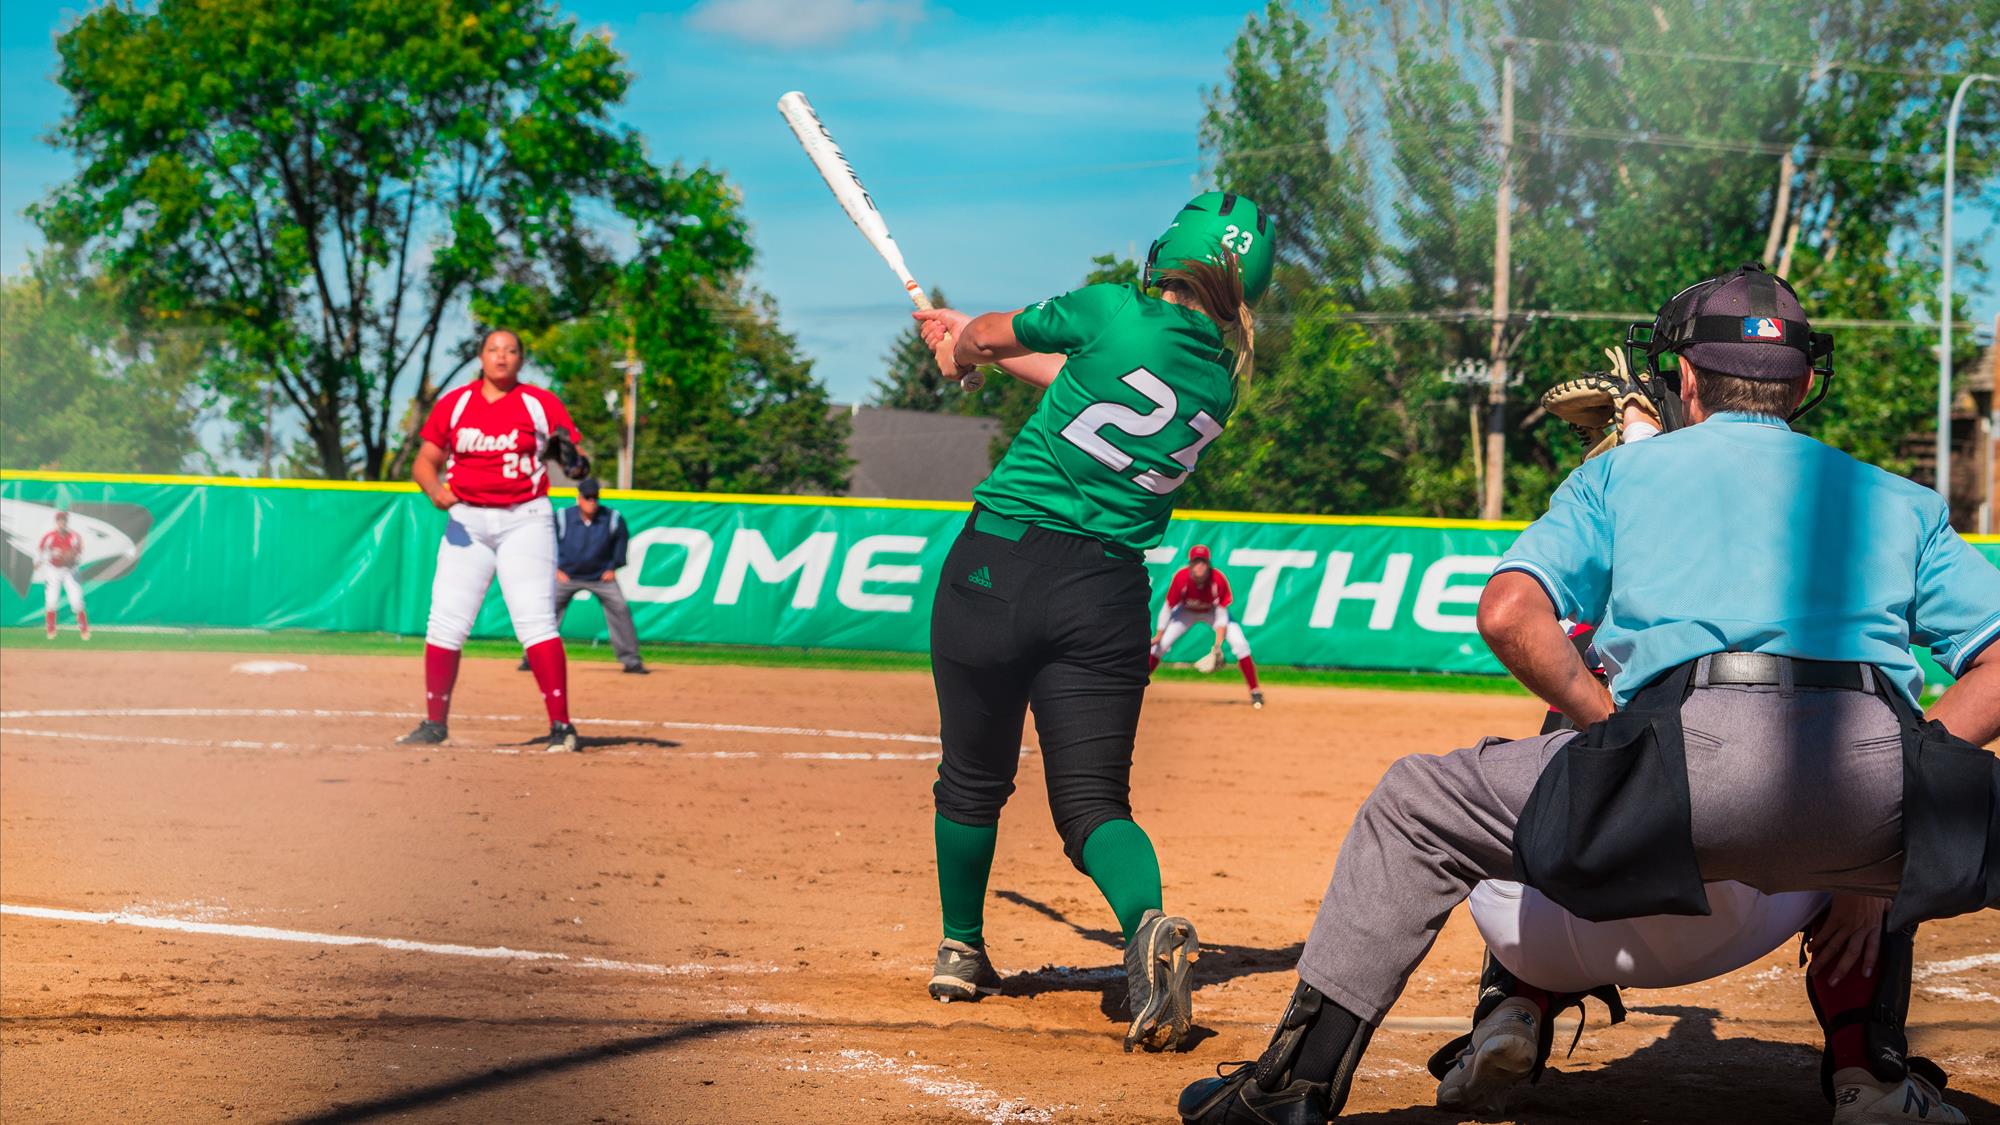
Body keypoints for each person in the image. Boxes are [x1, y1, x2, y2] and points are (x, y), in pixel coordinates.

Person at [1179, 262, 2000, 1123]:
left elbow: (1507, 613)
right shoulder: (1900, 499)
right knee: (1907, 793)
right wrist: (1914, 783)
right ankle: (1869, 1076)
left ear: (1684, 376)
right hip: (1861, 780)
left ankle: (1295, 1086)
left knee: (1416, 804)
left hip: (1680, 773)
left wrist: (1614, 732)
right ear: (1801, 384)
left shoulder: (1621, 477)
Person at [913, 191, 1274, 1052]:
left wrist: (960, 350)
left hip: (998, 564)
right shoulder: (1221, 377)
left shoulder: (1114, 304)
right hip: (1106, 592)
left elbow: (1001, 335)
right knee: (1092, 804)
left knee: (972, 777)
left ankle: (961, 947)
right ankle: (1145, 924)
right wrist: (976, 347)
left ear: (1164, 258)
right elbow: (1083, 382)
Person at [397, 329, 593, 754]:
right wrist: (435, 492)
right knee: (446, 620)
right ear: (481, 357)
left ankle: (562, 726)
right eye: (493, 349)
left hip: (525, 518)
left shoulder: (541, 404)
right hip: (466, 521)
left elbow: (577, 467)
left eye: (510, 350)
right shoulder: (456, 403)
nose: (501, 356)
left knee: (535, 619)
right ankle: (435, 724)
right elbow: (425, 461)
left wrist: (574, 464)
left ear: (521, 359)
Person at [517, 478, 647, 675]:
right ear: (579, 498)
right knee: (546, 612)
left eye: (595, 497)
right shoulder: (562, 517)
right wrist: (554, 568)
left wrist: (614, 566)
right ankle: (531, 658)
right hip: (566, 576)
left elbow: (621, 543)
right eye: (587, 497)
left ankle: (632, 661)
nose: (592, 501)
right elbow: (545, 541)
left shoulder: (611, 518)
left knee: (620, 608)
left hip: (601, 577)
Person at [1150, 544, 1262, 708]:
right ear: (1190, 564)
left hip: (1212, 612)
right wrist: (1159, 634)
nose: (1200, 565)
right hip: (1186, 612)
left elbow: (1222, 616)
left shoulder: (1218, 579)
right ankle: (1136, 686)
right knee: (1160, 646)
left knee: (1240, 644)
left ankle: (1255, 691)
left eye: (1203, 562)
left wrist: (1217, 645)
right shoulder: (1181, 578)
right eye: (1196, 562)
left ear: (1208, 564)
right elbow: (1168, 607)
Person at [38, 509, 89, 641]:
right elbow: (40, 551)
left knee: (77, 601)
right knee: (51, 600)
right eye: (60, 520)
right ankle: (51, 630)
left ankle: (84, 630)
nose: (62, 522)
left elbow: (79, 553)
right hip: (53, 571)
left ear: (67, 522)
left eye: (64, 520)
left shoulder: (74, 537)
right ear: (57, 522)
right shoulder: (49, 536)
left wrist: (70, 557)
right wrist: (41, 561)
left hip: (70, 571)